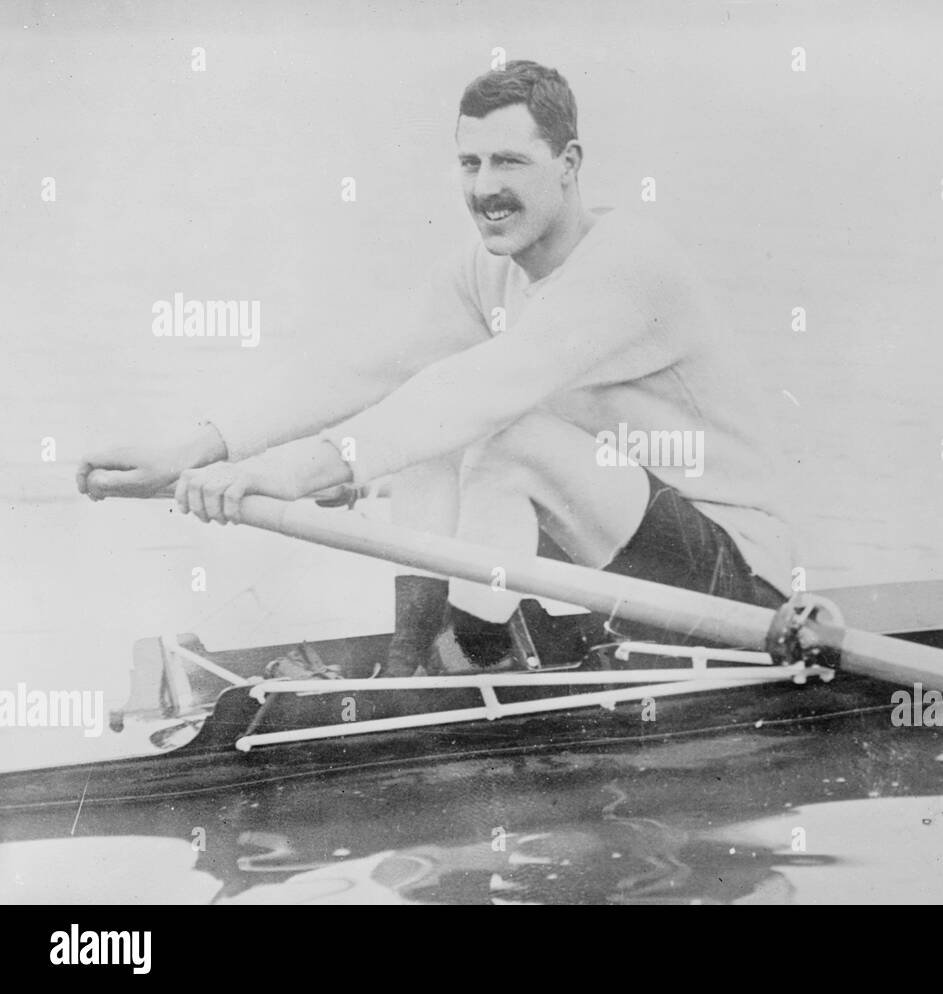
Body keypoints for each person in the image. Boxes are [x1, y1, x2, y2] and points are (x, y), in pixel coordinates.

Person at [78, 60, 794, 675]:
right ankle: (417, 653)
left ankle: (472, 664)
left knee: (495, 434)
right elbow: (363, 365)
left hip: (740, 597)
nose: (485, 189)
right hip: (627, 569)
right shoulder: (487, 273)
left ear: (570, 164)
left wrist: (292, 474)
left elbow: (487, 388)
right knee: (427, 435)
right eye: (470, 163)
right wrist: (194, 451)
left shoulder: (630, 265)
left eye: (510, 162)